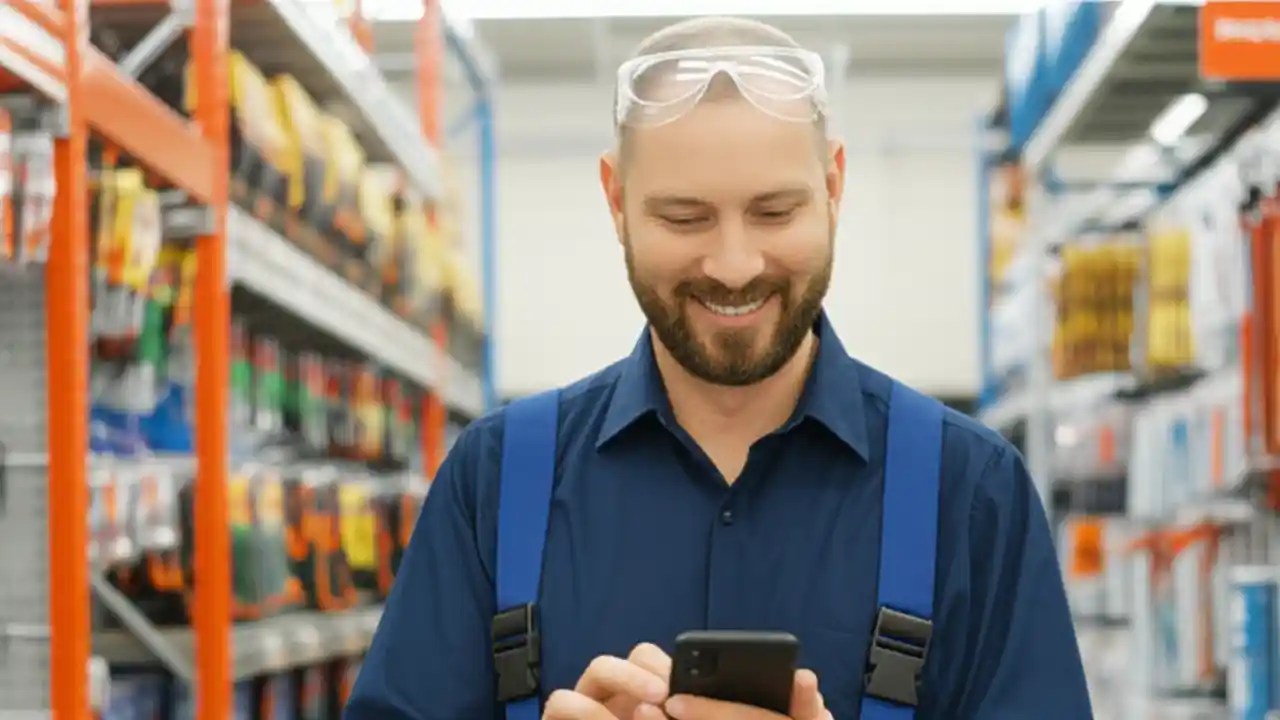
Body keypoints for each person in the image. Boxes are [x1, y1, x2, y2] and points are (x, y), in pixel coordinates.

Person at [345, 15, 1092, 720]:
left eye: (774, 213)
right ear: (616, 201)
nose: (734, 265)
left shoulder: (970, 494)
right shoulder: (497, 482)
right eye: (684, 217)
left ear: (833, 188)